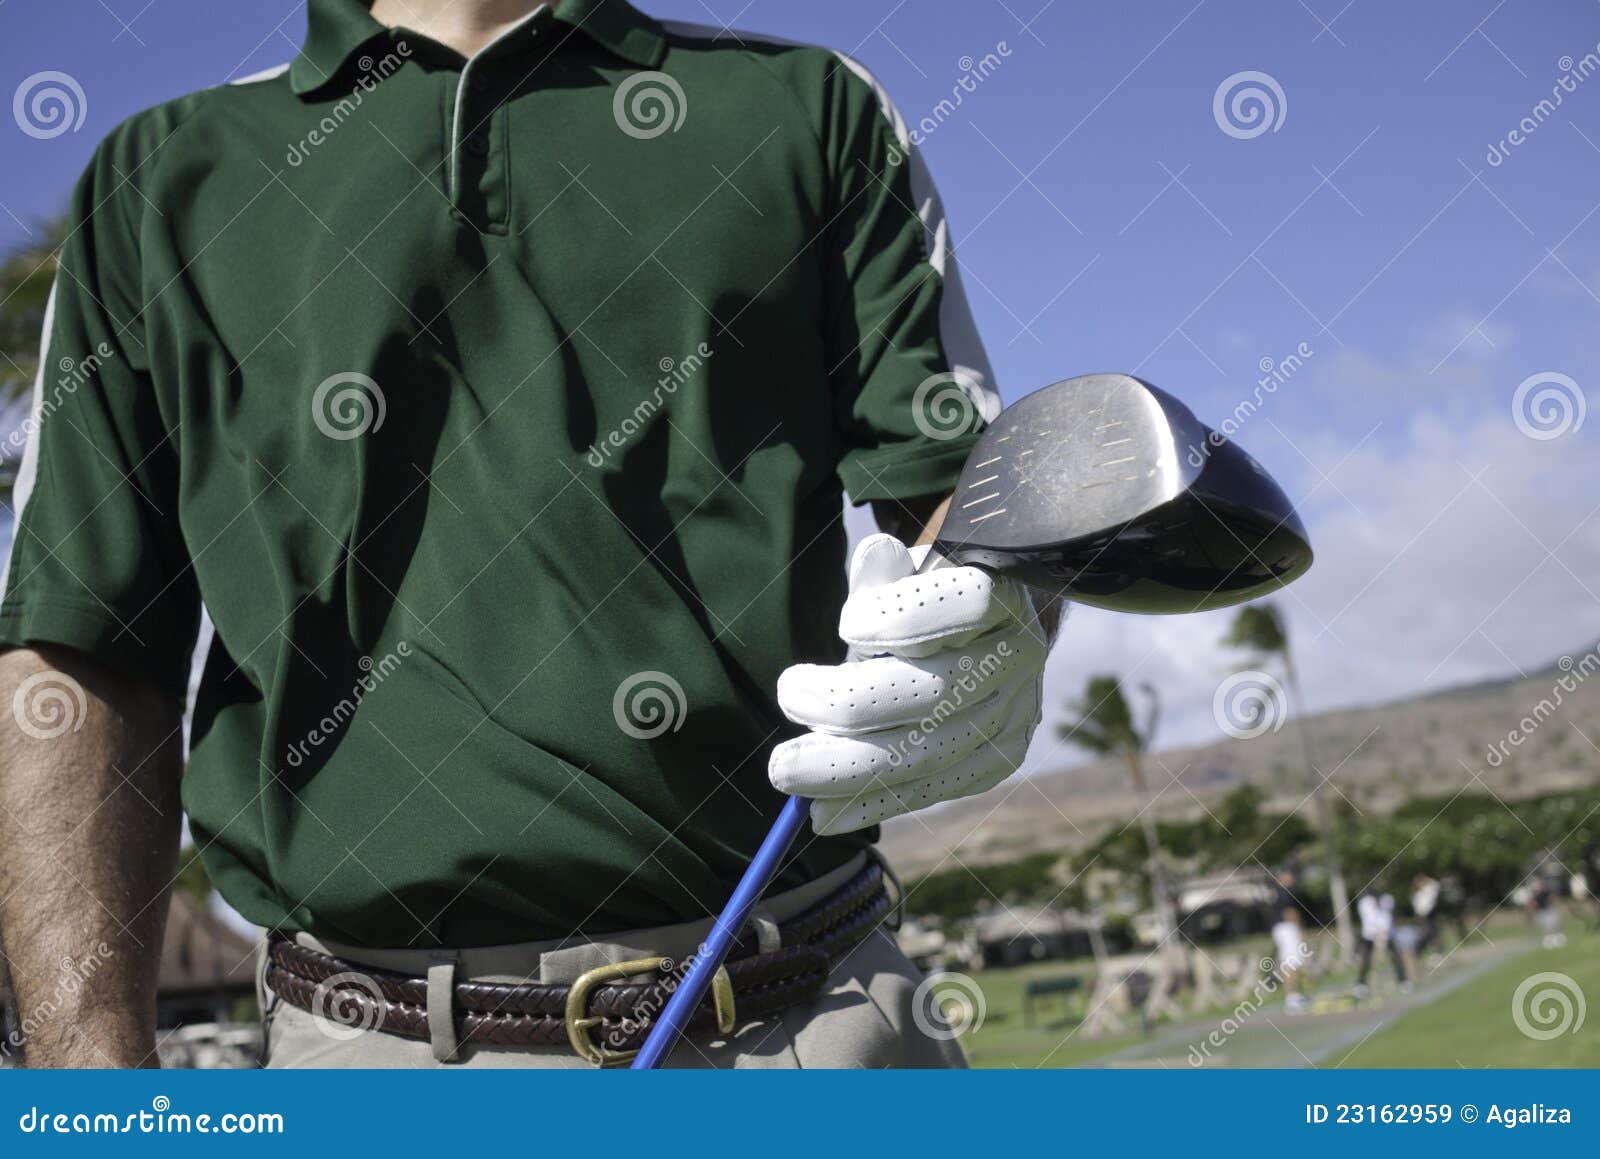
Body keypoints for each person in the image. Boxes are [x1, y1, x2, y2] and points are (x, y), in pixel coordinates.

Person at [0, 0, 1051, 1068]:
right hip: (375, 1060)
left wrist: (1014, 626)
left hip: (821, 1024)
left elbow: (965, 527)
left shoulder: (809, 108)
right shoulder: (162, 175)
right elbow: (84, 642)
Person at [1353, 890, 1404, 997]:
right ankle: (1361, 984)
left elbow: (1387, 919)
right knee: (1366, 960)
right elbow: (1369, 921)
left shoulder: (1388, 900)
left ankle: (1403, 981)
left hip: (1388, 934)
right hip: (1369, 935)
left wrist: (1383, 936)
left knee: (1397, 957)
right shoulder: (1365, 903)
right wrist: (1377, 936)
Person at [1271, 905, 1310, 1014]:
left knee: (1294, 965)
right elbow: (1289, 912)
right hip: (1285, 928)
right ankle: (1291, 999)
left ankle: (1294, 996)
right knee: (1291, 965)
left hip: (1286, 928)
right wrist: (1297, 926)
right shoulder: (1284, 895)